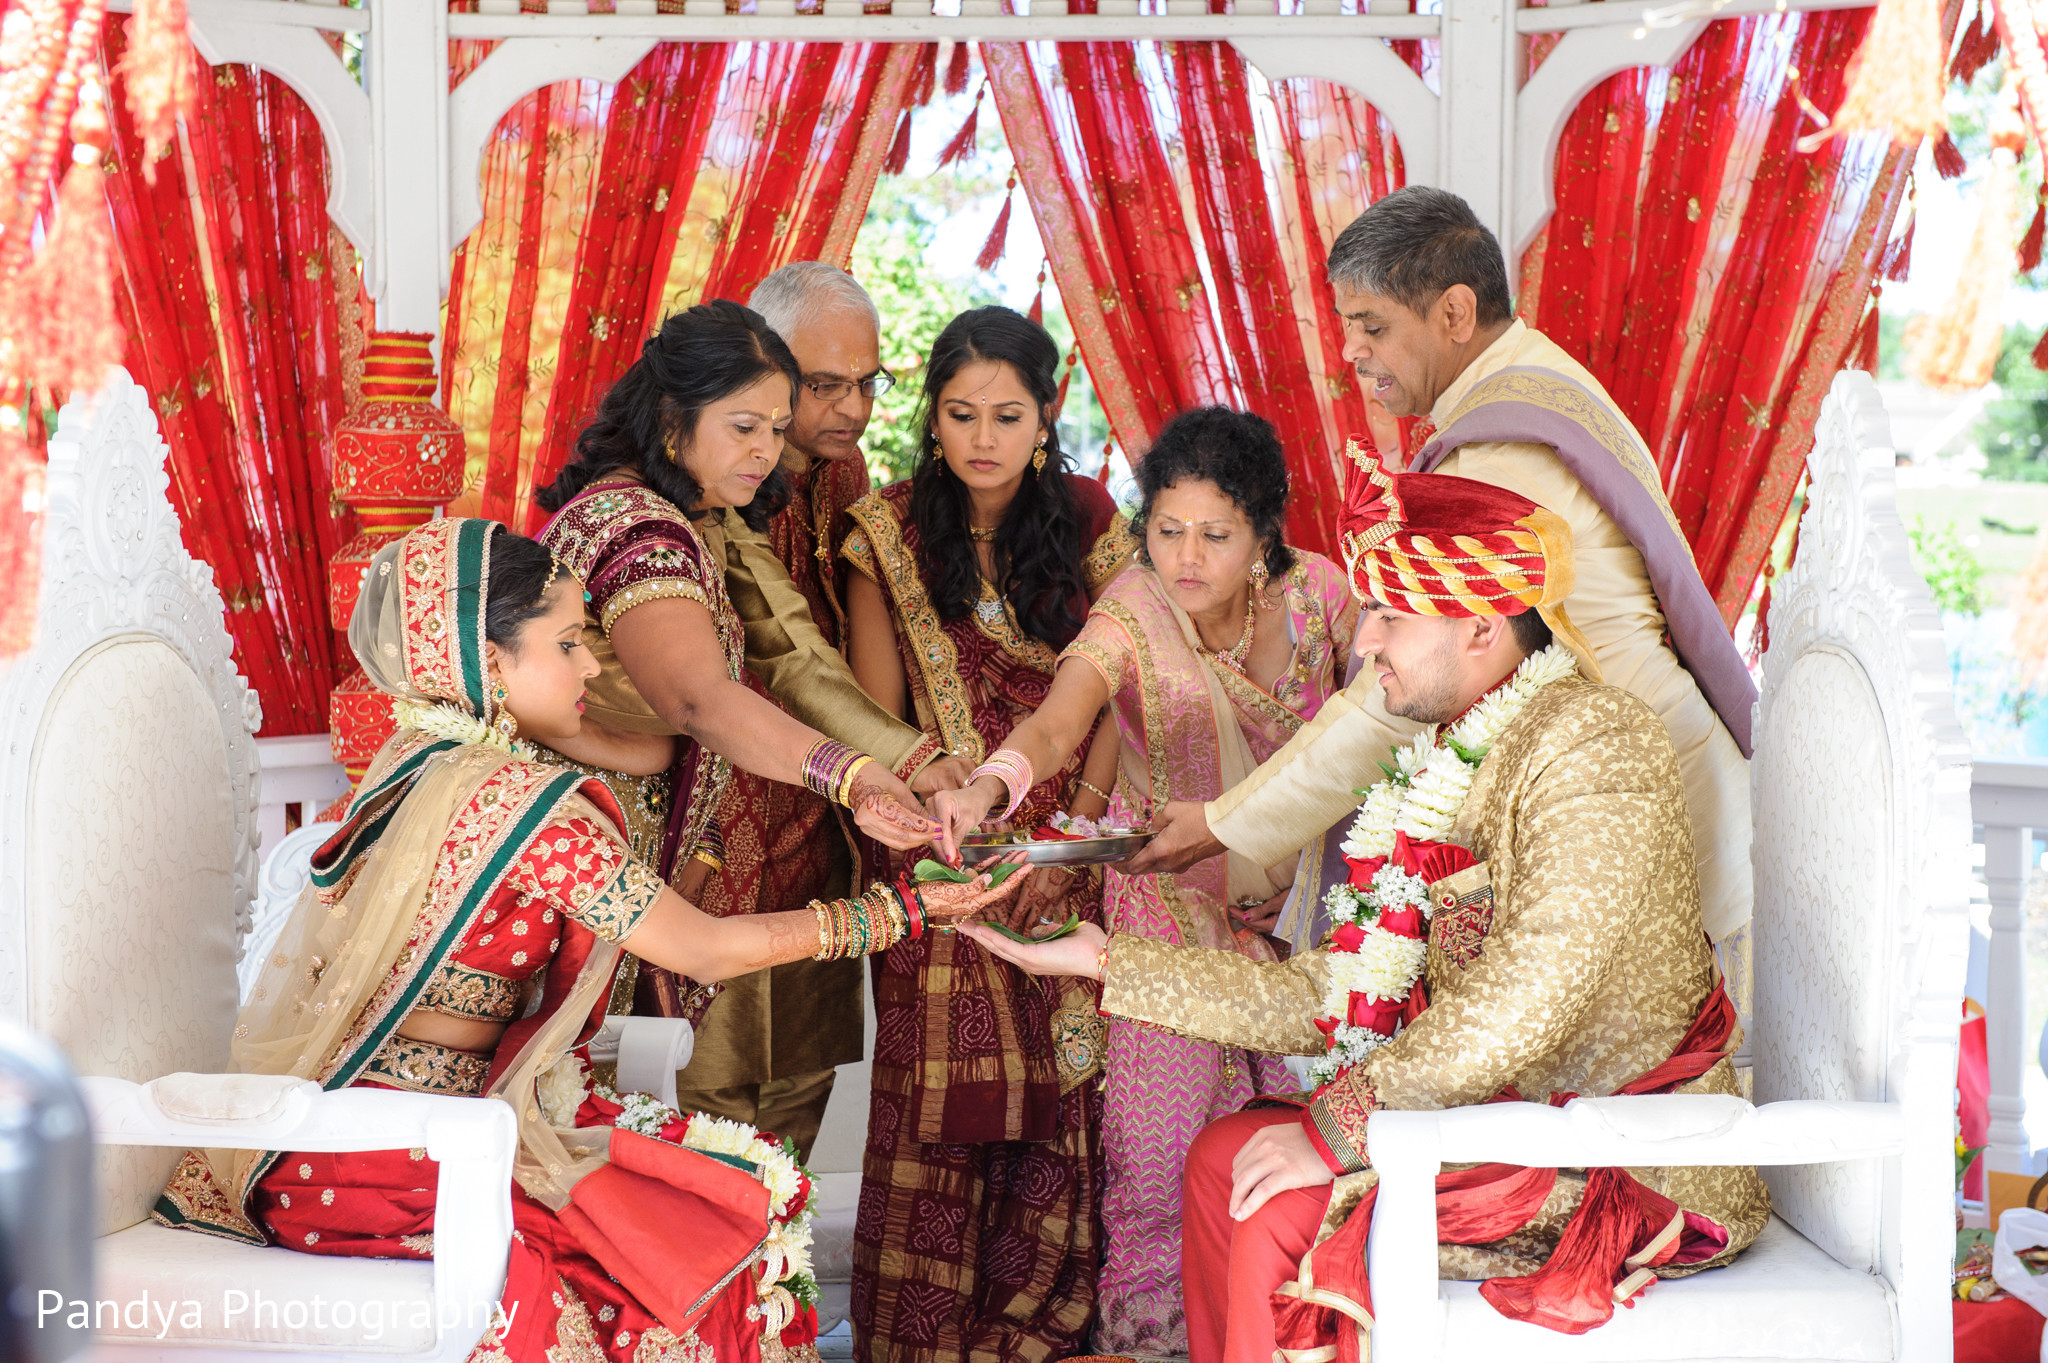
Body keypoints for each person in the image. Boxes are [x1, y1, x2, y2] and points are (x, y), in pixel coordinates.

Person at [151, 518, 1026, 1363]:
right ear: (490, 662)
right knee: (697, 1257)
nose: (594, 662)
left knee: (721, 1211)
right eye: (569, 642)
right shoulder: (523, 814)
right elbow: (706, 950)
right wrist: (901, 912)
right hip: (405, 1156)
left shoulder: (423, 761)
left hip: (378, 1135)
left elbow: (641, 749)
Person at [961, 455, 1769, 1363]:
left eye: (1390, 615)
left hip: (1619, 1153)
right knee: (1223, 1155)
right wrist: (1105, 959)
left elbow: (1534, 987)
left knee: (1287, 1191)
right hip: (1497, 1123)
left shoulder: (1592, 740)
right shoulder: (1445, 754)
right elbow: (1336, 991)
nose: (1364, 642)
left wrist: (1340, 1128)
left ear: (1479, 626)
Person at [1128, 185, 1756, 954]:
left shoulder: (1499, 457)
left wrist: (1223, 822)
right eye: (1348, 327)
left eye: (1374, 326)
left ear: (1455, 313)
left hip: (1639, 813)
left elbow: (1390, 699)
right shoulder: (1542, 387)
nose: (1352, 351)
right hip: (1641, 787)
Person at [929, 405, 1358, 1356]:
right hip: (1165, 905)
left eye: (1216, 534)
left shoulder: (1324, 597)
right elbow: (1056, 722)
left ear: (1266, 533)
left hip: (1316, 913)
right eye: (1167, 530)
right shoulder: (1129, 608)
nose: (1187, 558)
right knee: (1157, 1161)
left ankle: (1305, 1335)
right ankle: (1160, 1344)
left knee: (1314, 1135)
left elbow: (1388, 720)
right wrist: (1000, 778)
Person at [838, 305, 1133, 1362]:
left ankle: (1035, 1324)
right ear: (931, 417)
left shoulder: (1095, 520)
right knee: (937, 1093)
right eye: (959, 414)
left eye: (1006, 415)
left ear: (1046, 414)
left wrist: (1084, 832)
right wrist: (934, 805)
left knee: (1065, 1085)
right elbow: (877, 709)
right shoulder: (884, 531)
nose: (981, 439)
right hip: (938, 836)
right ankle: (922, 1335)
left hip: (1065, 848)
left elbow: (1110, 693)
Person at [534, 300, 946, 1047]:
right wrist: (852, 776)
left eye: (777, 429)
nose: (765, 450)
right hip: (582, 875)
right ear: (670, 419)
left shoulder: (665, 515)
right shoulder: (640, 528)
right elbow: (696, 699)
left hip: (604, 870)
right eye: (743, 426)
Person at [661, 264, 944, 1161]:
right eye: (827, 385)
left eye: (869, 383)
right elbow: (785, 655)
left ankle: (772, 1295)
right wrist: (896, 760)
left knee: (798, 1090)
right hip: (710, 817)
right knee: (699, 1094)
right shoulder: (687, 491)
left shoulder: (841, 473)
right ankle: (707, 1297)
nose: (854, 408)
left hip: (822, 819)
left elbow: (845, 648)